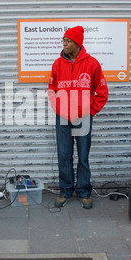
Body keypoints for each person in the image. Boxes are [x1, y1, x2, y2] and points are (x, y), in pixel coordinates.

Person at [48, 26, 108, 209]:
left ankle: (84, 191)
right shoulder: (58, 64)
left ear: (77, 43)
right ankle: (66, 190)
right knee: (64, 155)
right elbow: (52, 90)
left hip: (84, 118)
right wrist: (60, 109)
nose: (64, 44)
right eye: (63, 40)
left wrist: (90, 111)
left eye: (68, 40)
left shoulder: (92, 64)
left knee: (83, 156)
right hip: (63, 118)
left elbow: (102, 92)